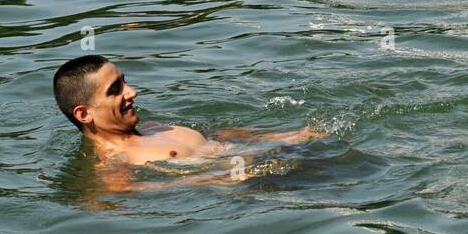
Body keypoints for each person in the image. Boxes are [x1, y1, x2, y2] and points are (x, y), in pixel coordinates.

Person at [54, 55, 323, 166]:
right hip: (267, 184)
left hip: (288, 158)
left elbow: (216, 134)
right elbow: (134, 200)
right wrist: (217, 181)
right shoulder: (115, 163)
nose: (131, 91)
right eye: (115, 89)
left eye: (125, 80)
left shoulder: (153, 128)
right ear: (83, 114)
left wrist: (284, 136)